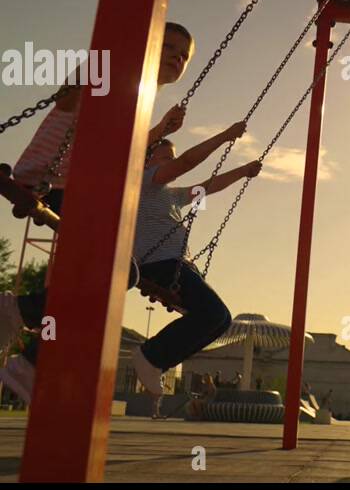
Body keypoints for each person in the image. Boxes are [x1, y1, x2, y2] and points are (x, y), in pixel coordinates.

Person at [0, 22, 195, 403]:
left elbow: (121, 152)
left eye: (184, 55)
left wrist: (158, 131)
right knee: (117, 272)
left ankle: (25, 343)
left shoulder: (141, 95)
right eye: (169, 46)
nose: (176, 56)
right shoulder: (121, 74)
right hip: (54, 183)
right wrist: (100, 59)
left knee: (114, 275)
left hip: (79, 188)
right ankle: (21, 333)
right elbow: (68, 102)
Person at [128, 129, 261, 397]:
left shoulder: (172, 194)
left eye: (171, 158)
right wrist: (224, 136)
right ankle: (150, 355)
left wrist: (243, 171)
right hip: (160, 264)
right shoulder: (144, 182)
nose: (171, 163)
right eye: (164, 157)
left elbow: (209, 186)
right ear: (145, 162)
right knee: (213, 313)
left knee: (221, 320)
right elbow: (187, 161)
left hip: (178, 267)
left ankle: (157, 361)